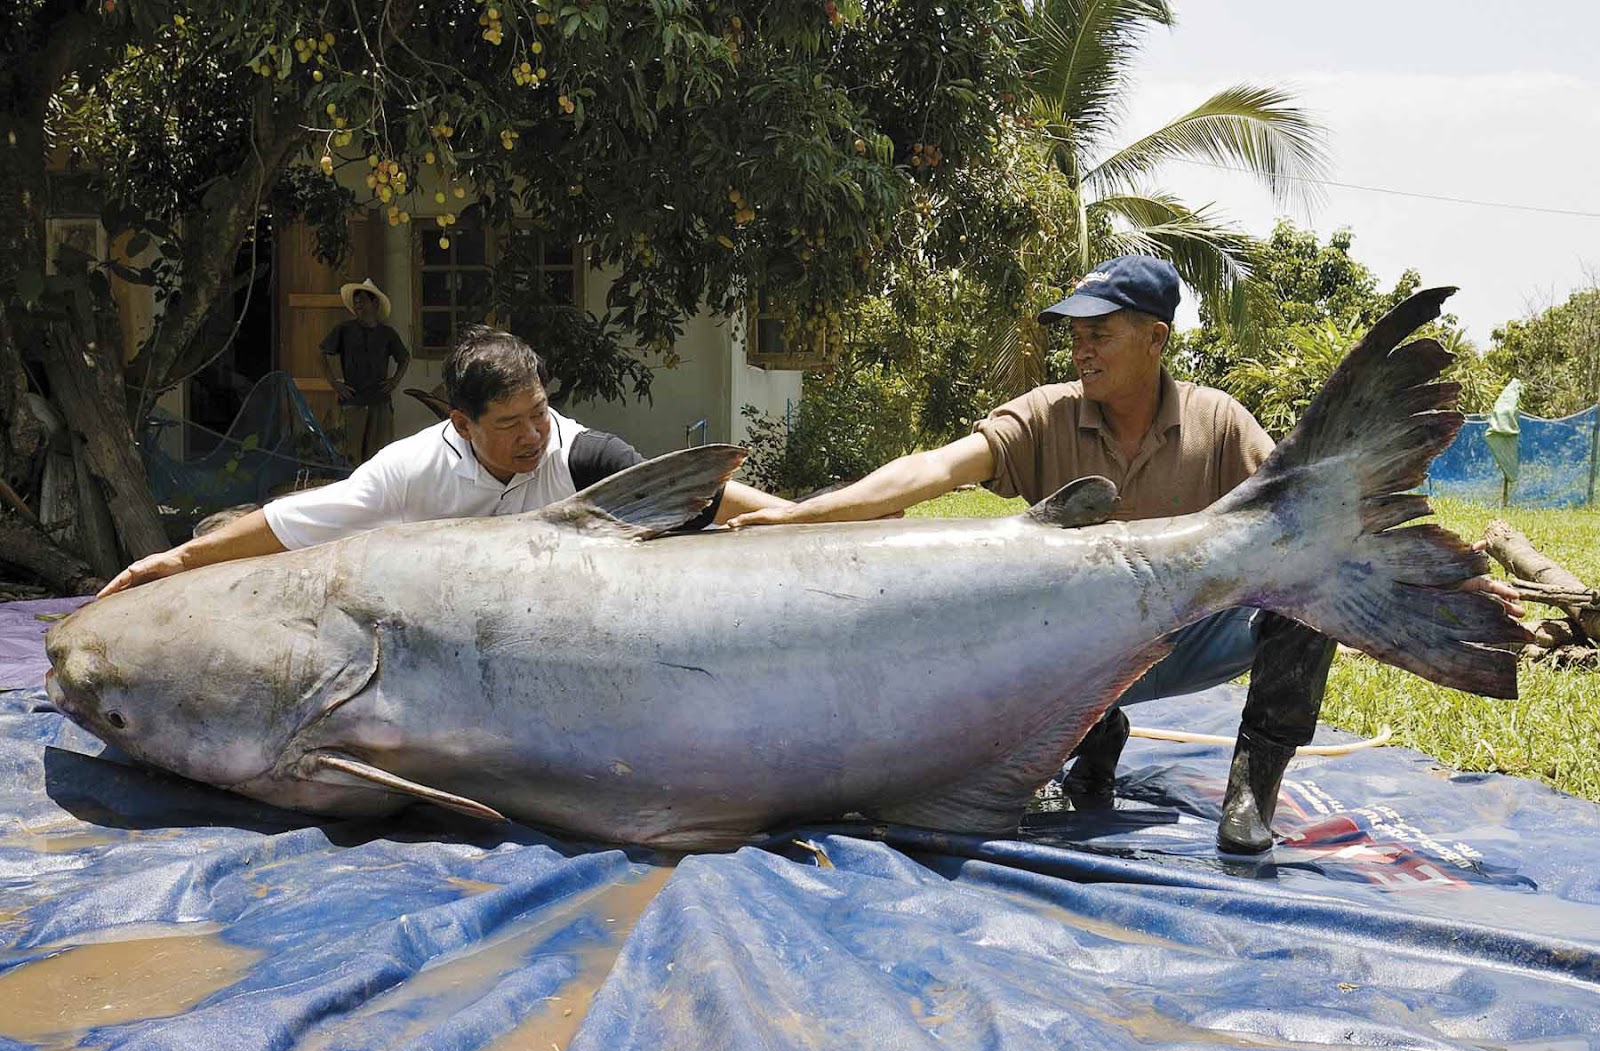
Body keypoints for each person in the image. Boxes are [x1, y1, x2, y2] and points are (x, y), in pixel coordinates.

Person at [729, 254, 1521, 854]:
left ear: (1155, 338)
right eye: (1075, 334)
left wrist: (1436, 581)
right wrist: (804, 514)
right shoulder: (1044, 416)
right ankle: (1087, 737)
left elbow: (1314, 525)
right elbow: (931, 470)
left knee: (1298, 578)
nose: (1081, 349)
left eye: (1099, 333)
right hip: (1066, 652)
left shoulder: (1218, 421)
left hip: (1190, 636)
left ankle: (1253, 788)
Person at [101, 326, 789, 598]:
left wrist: (804, 519)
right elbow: (291, 523)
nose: (533, 434)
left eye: (540, 411)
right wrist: (181, 562)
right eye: (511, 423)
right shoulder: (408, 473)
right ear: (460, 423)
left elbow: (699, 496)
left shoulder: (580, 455)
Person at [322, 278, 411, 463]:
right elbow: (322, 352)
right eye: (356, 301)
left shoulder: (387, 334)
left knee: (380, 455)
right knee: (351, 454)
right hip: (353, 400)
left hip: (380, 401)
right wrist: (334, 383)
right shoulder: (344, 330)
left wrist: (394, 381)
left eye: (362, 300)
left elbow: (404, 358)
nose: (358, 305)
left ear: (374, 303)